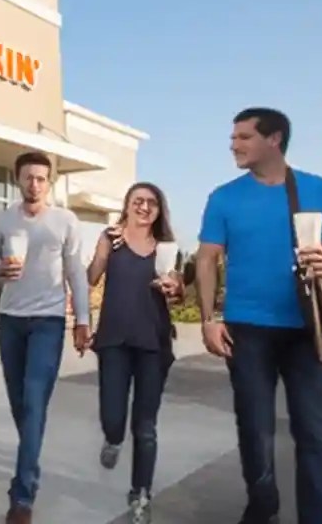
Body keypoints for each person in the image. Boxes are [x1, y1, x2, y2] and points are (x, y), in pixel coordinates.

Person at [195, 108, 322, 524]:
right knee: (255, 431)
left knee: (318, 437)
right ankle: (263, 504)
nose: (233, 144)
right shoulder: (223, 197)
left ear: (275, 139)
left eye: (244, 137)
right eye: (233, 137)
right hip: (247, 330)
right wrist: (209, 318)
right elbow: (207, 259)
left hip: (313, 331)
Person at [0, 150, 92, 524]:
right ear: (17, 179)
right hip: (10, 322)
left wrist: (82, 319)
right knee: (22, 405)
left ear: (50, 183)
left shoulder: (65, 221)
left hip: (48, 321)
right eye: (28, 177)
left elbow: (76, 273)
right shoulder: (3, 220)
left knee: (34, 401)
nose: (35, 184)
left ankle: (23, 496)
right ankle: (30, 456)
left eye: (41, 178)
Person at [87, 182, 184, 524]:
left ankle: (140, 493)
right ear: (127, 205)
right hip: (114, 341)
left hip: (153, 346)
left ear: (159, 210)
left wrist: (174, 288)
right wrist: (101, 248)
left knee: (145, 427)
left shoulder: (166, 248)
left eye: (152, 203)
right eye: (137, 201)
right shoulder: (110, 241)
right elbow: (91, 277)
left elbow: (177, 292)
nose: (144, 207)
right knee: (114, 418)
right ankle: (112, 440)